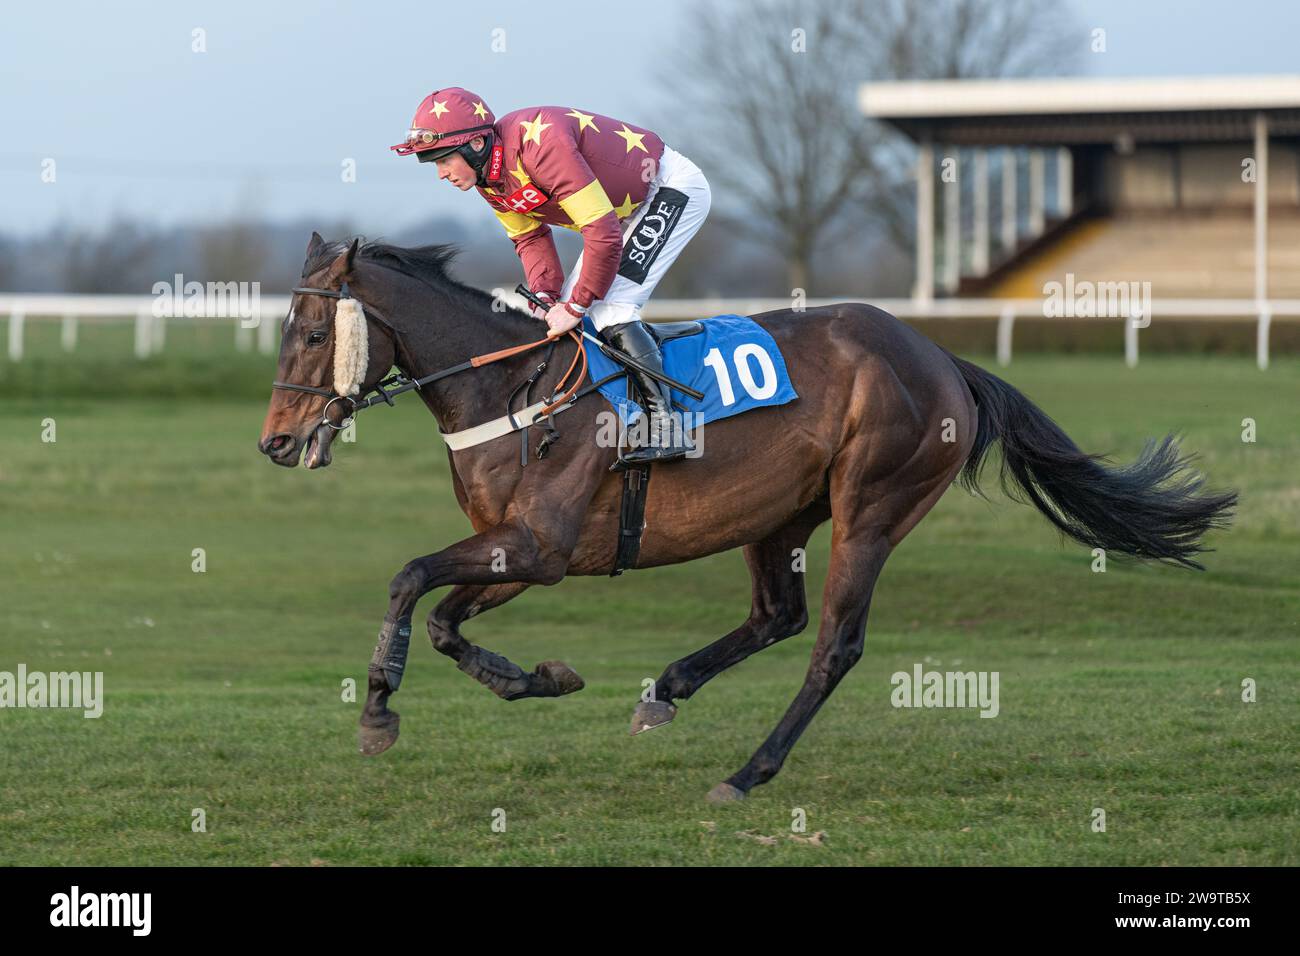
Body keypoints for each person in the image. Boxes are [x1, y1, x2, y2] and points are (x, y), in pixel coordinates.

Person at [391, 87, 710, 462]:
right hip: (620, 215)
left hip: (669, 190)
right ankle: (612, 417)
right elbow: (530, 239)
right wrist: (545, 296)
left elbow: (603, 235)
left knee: (610, 310)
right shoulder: (489, 179)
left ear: (476, 144)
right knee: (568, 317)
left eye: (443, 160)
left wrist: (574, 305)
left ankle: (666, 426)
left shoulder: (540, 148)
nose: (441, 174)